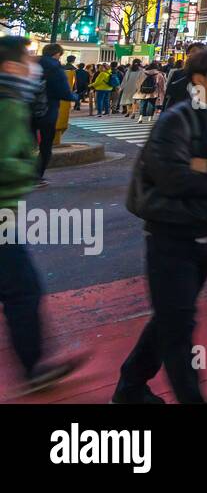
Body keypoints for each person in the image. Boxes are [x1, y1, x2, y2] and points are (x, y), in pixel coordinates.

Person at [116, 46, 207, 404]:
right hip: (170, 231)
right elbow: (172, 177)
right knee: (178, 321)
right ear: (199, 79)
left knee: (173, 316)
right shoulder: (177, 118)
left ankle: (130, 387)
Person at [0, 37, 84, 394]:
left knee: (20, 289)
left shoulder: (13, 101)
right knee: (23, 290)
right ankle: (33, 371)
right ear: (10, 67)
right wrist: (27, 171)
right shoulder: (7, 105)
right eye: (28, 60)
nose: (34, 67)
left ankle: (34, 369)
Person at [33, 43, 74, 181]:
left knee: (26, 142)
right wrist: (75, 96)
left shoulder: (31, 64)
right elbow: (64, 92)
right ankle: (37, 176)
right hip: (48, 110)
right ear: (57, 54)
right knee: (45, 145)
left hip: (28, 110)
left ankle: (20, 172)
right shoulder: (56, 68)